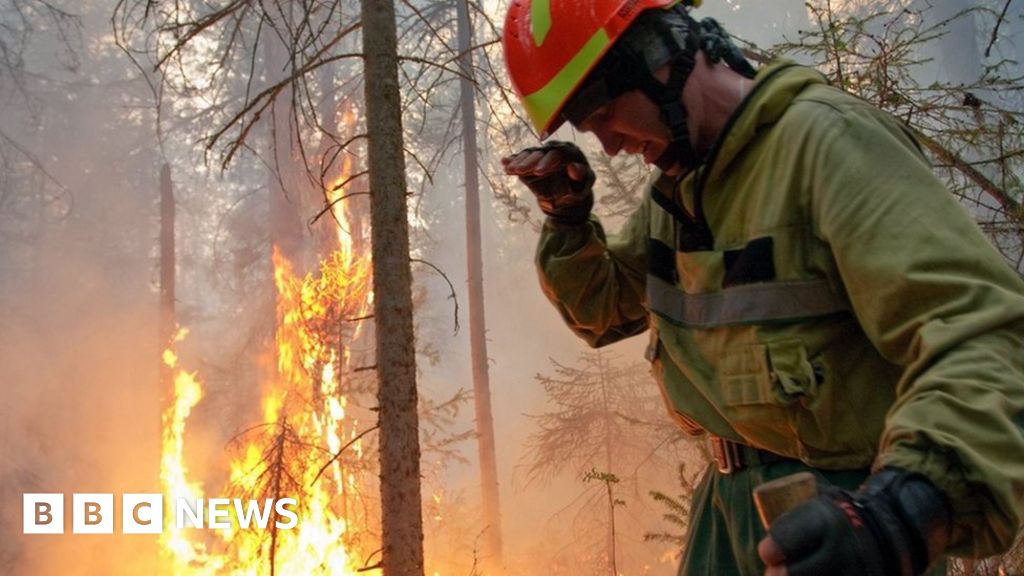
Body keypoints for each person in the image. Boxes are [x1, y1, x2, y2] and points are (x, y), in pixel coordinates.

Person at [500, 1, 1024, 575]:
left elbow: (982, 333)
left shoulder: (826, 143)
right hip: (726, 508)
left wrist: (905, 512)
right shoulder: (683, 187)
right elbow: (604, 309)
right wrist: (566, 214)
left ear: (657, 57)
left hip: (843, 519)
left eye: (603, 113)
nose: (610, 147)